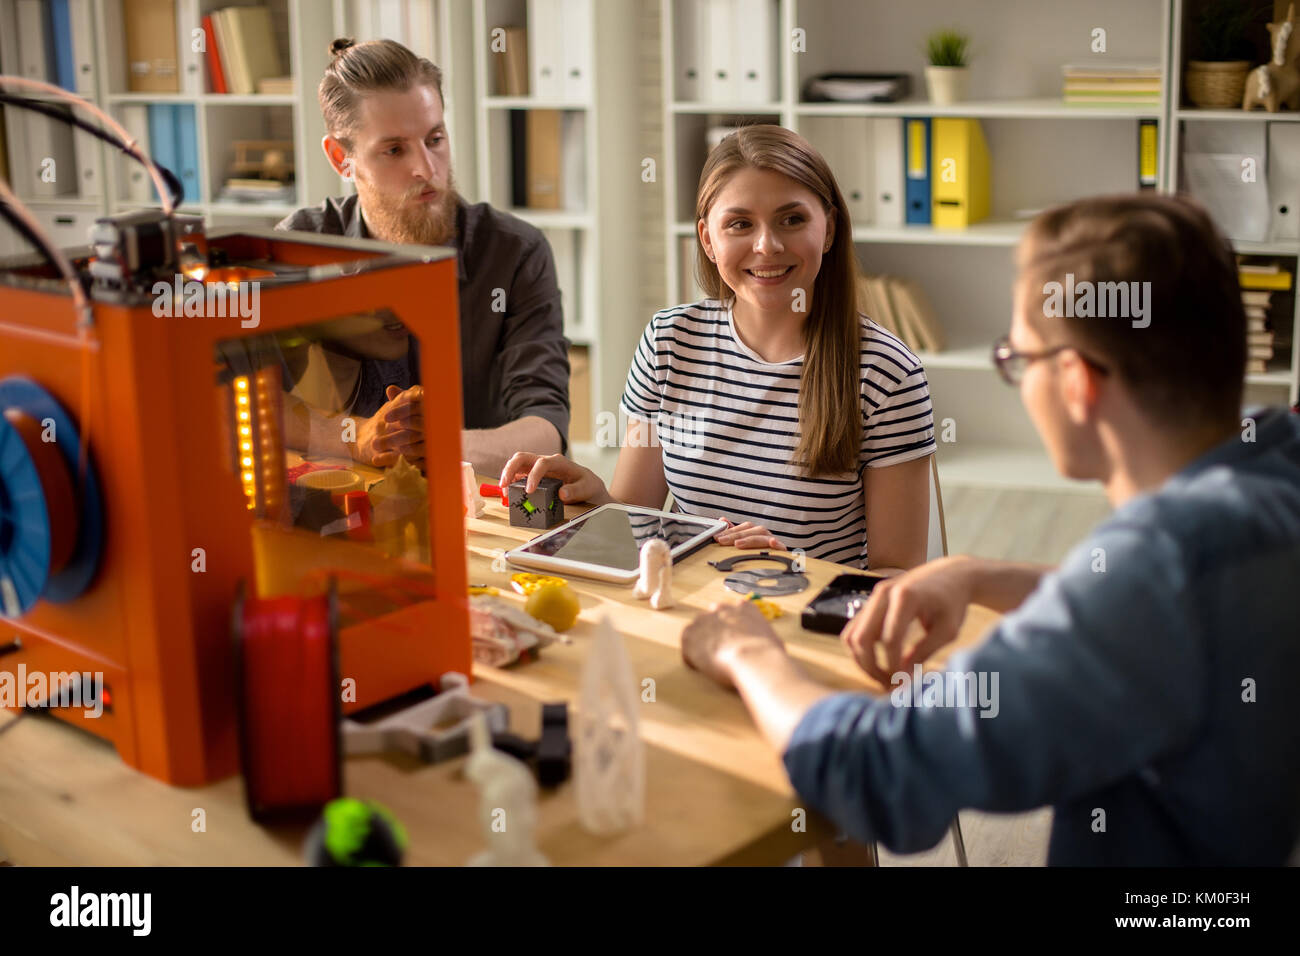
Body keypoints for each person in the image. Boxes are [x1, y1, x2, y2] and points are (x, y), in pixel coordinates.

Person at [680, 193, 1300, 865]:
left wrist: (751, 655)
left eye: (1017, 358)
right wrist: (983, 575)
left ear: (1075, 383)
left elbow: (882, 776)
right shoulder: (1274, 470)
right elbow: (1186, 599)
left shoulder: (1152, 573)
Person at [501, 125, 935, 572]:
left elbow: (898, 576)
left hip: (807, 627)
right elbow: (637, 526)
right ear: (708, 240)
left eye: (792, 219)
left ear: (828, 230)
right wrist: (596, 498)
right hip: (688, 611)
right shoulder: (668, 342)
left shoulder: (886, 373)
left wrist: (794, 569)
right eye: (740, 224)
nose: (767, 245)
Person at [275, 38, 570, 476]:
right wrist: (356, 437)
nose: (427, 168)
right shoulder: (302, 247)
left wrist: (437, 445)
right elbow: (254, 401)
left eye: (435, 139)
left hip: (479, 512)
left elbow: (547, 429)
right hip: (342, 512)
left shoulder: (515, 253)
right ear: (342, 159)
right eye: (394, 150)